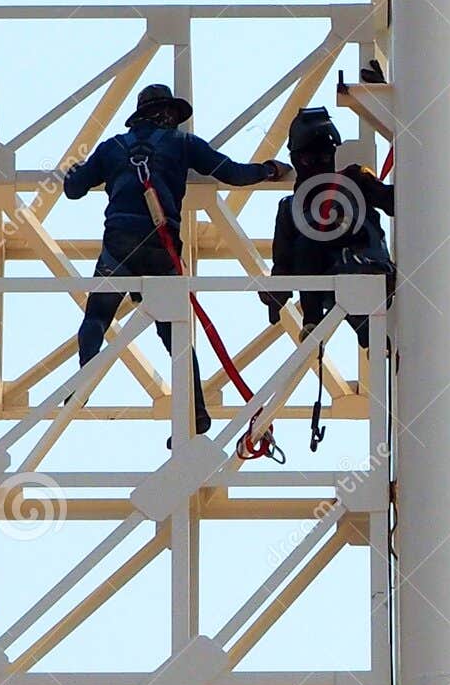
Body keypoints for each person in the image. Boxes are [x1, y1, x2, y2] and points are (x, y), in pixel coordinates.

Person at [63, 83, 286, 435]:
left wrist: (74, 173)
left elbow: (73, 190)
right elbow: (233, 173)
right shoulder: (183, 144)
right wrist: (269, 170)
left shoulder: (112, 148)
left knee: (98, 314)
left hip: (119, 244)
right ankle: (195, 408)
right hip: (161, 247)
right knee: (175, 336)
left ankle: (81, 383)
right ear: (164, 114)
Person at [259, 106, 394, 350]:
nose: (319, 165)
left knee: (332, 258)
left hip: (366, 270)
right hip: (329, 281)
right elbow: (283, 260)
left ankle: (370, 338)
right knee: (305, 245)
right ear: (297, 160)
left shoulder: (354, 180)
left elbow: (391, 201)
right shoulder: (291, 208)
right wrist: (275, 295)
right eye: (310, 159)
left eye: (324, 157)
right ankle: (312, 321)